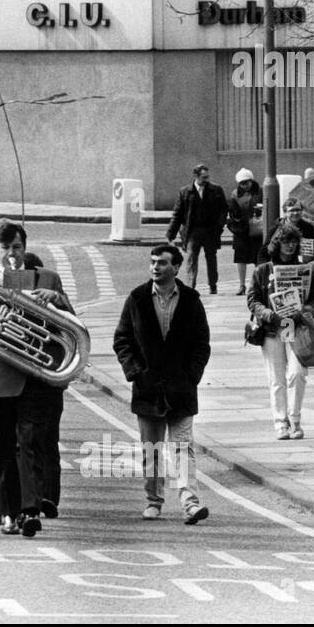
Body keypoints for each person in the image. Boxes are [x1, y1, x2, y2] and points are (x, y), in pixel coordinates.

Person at [0, 221, 71, 535]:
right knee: (0, 446)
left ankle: (29, 510)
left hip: (36, 373)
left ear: (25, 248)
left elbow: (71, 320)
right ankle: (7, 512)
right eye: (5, 248)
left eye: (17, 247)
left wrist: (55, 300)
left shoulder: (48, 277)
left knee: (28, 440)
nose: (12, 254)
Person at [112, 243, 212, 524]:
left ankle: (190, 503)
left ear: (176, 267)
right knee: (152, 450)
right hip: (148, 388)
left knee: (182, 447)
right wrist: (135, 372)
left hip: (180, 388)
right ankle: (154, 501)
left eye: (162, 263)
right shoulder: (138, 298)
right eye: (153, 262)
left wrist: (191, 376)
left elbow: (201, 345)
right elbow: (122, 339)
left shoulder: (191, 300)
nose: (155, 267)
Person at [248, 224, 314, 440]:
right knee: (277, 379)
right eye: (286, 241)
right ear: (277, 244)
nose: (290, 246)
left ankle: (295, 418)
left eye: (293, 241)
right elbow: (252, 300)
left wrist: (308, 310)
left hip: (297, 328)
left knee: (297, 374)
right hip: (272, 330)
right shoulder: (263, 271)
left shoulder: (305, 269)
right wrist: (268, 313)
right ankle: (281, 422)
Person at [165, 162, 228, 294]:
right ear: (195, 176)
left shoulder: (216, 190)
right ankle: (190, 287)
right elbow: (178, 214)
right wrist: (171, 234)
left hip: (210, 231)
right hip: (192, 231)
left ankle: (213, 285)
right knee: (191, 259)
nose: (206, 180)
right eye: (204, 177)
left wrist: (219, 226)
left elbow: (224, 209)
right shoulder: (185, 192)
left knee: (211, 259)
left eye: (207, 177)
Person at [256, 198, 314, 267]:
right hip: (281, 270)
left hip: (304, 271)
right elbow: (263, 253)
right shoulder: (275, 229)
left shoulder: (308, 228)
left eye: (298, 210)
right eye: (292, 210)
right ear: (285, 212)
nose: (295, 213)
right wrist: (266, 269)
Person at [227, 168, 263, 295]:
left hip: (257, 229)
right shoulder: (235, 194)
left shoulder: (260, 191)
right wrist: (235, 220)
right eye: (242, 183)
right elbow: (231, 211)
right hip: (241, 231)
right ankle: (242, 286)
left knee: (258, 258)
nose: (245, 185)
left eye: (247, 182)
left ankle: (258, 284)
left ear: (251, 180)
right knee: (241, 259)